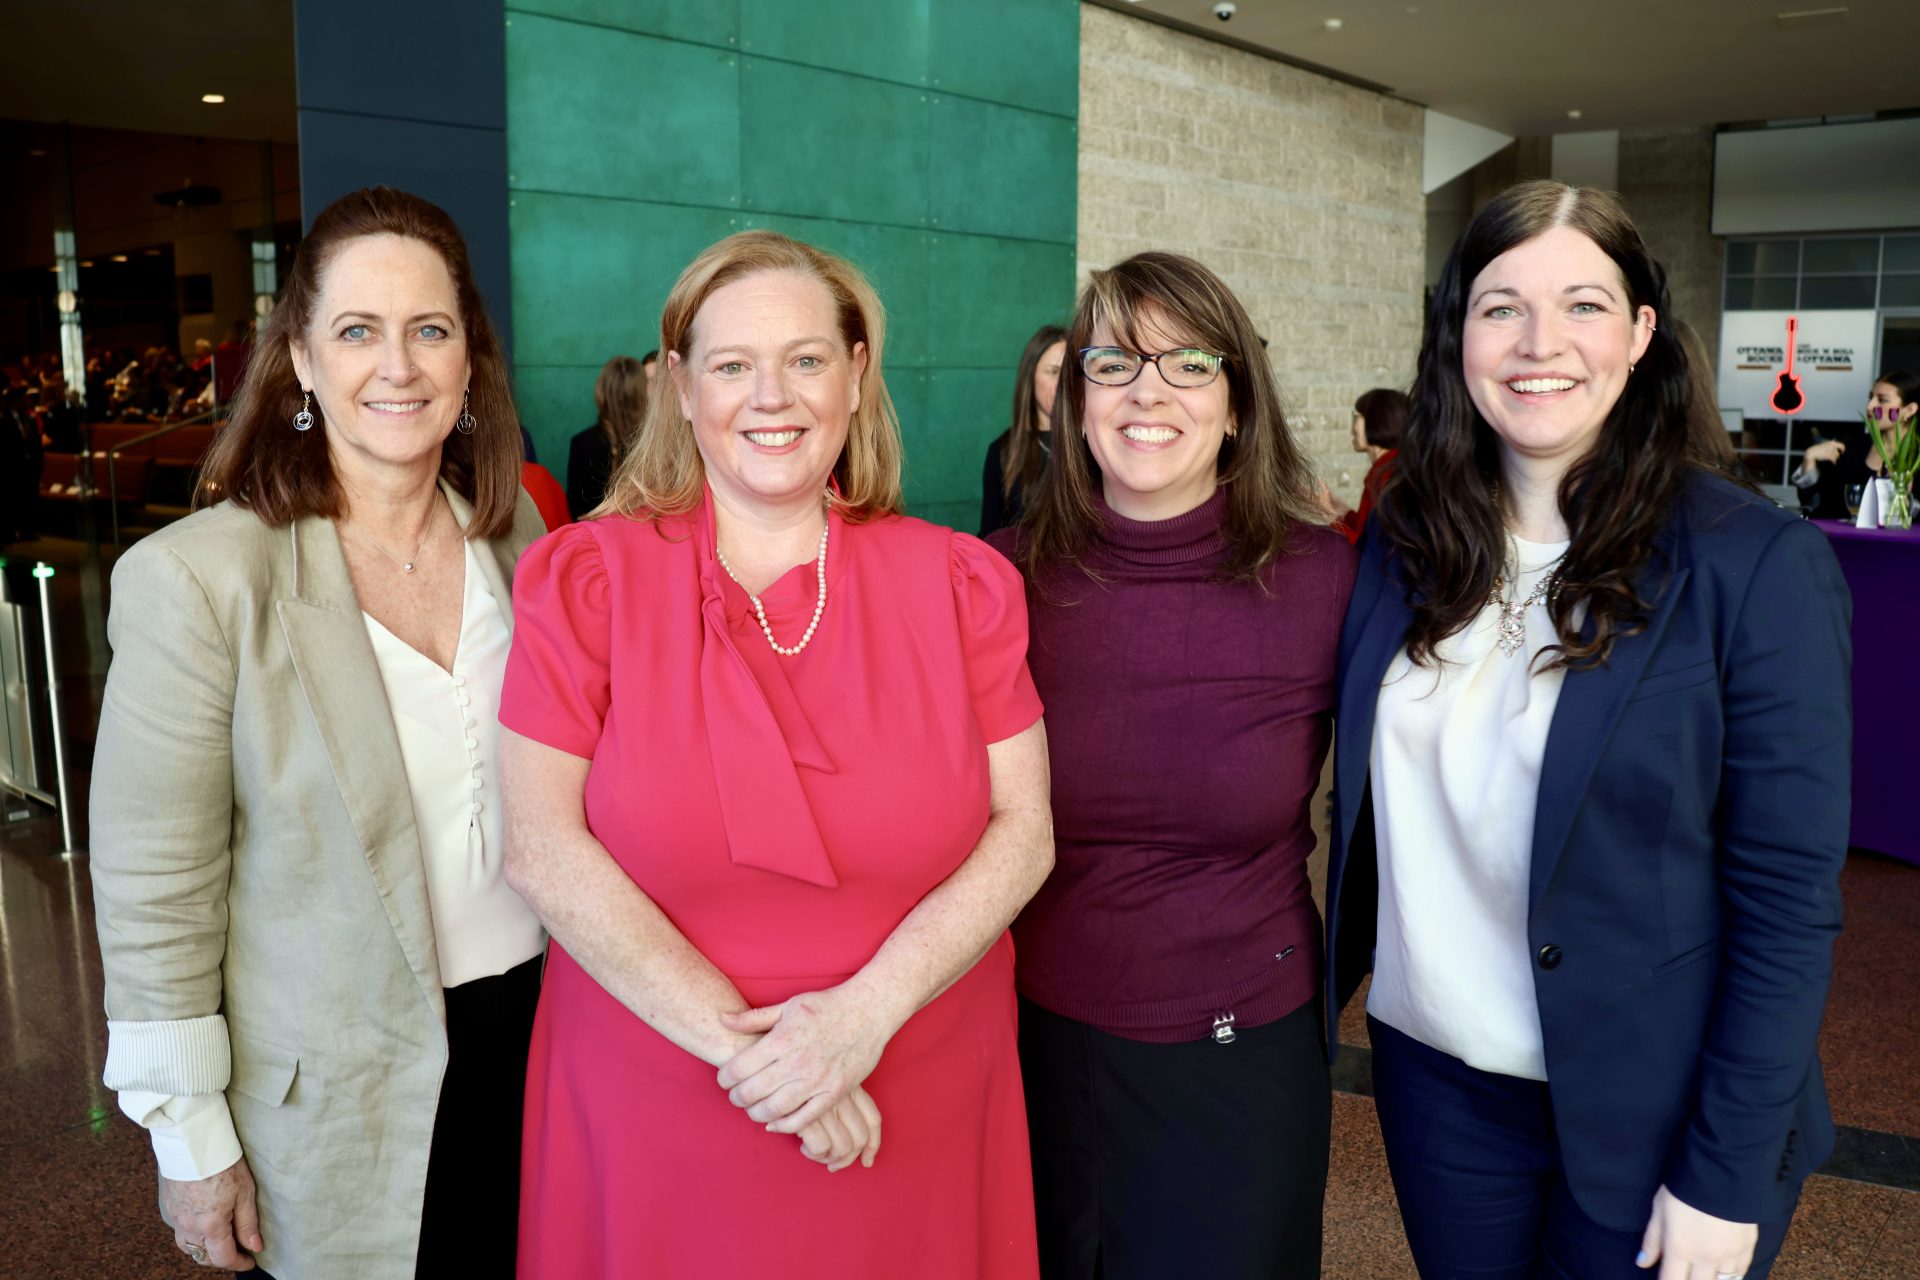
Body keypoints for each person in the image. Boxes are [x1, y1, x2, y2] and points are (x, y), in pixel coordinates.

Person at [498, 229, 1054, 1278]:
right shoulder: (587, 581)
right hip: (657, 1086)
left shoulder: (963, 583)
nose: (773, 395)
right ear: (679, 383)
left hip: (916, 1079)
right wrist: (773, 1061)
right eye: (732, 364)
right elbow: (540, 847)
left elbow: (1024, 832)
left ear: (854, 374)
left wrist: (861, 1020)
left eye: (805, 359)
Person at [1325, 180, 1851, 1280]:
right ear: (1457, 329)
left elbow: (1789, 902)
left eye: (1583, 305)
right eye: (1501, 305)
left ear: (1642, 332)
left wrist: (1728, 1166)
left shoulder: (1751, 563)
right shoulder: (1404, 543)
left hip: (1660, 1101)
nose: (1539, 342)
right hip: (1440, 1089)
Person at [89, 186, 549, 1279]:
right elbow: (156, 889)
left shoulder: (519, 535)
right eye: (358, 331)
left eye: (429, 329)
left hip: (543, 1046)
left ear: (469, 356)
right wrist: (189, 1139)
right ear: (299, 358)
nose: (399, 365)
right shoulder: (201, 577)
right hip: (336, 1097)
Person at [991, 252, 1354, 1278]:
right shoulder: (999, 577)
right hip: (1029, 1038)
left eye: (1188, 363)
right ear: (1070, 399)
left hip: (1238, 1047)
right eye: (1113, 363)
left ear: (1237, 403)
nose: (1147, 391)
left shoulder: (1323, 579)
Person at [1792, 369, 1919, 518]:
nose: (1870, 406)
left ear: (1909, 410)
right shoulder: (1848, 447)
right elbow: (1814, 507)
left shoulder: (1917, 457)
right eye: (1871, 397)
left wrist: (1906, 500)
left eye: (1882, 400)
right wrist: (1810, 461)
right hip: (1845, 541)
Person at [979, 324, 1067, 536]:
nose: (1064, 382)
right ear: (1030, 377)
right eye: (1053, 372)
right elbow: (990, 538)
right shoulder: (1002, 452)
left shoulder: (1094, 445)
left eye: (1071, 372)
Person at [565, 354, 649, 518]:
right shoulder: (652, 445)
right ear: (642, 393)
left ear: (601, 392)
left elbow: (575, 510)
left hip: (596, 540)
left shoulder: (581, 444)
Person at [1331, 386, 1409, 544]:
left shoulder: (1389, 477)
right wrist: (1340, 509)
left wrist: (1330, 517)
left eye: (1358, 416)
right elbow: (1364, 528)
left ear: (1378, 421)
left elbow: (1365, 545)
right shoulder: (1389, 468)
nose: (1353, 427)